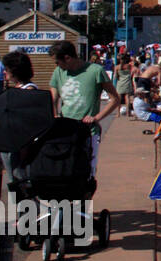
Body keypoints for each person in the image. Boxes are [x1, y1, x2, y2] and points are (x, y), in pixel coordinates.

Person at [48, 41, 120, 181]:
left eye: (58, 62)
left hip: (88, 131)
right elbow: (53, 98)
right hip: (65, 130)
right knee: (66, 170)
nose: (57, 66)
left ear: (68, 58)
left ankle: (84, 200)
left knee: (87, 172)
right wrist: (55, 115)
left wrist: (97, 117)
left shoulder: (95, 71)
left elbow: (114, 99)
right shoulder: (58, 72)